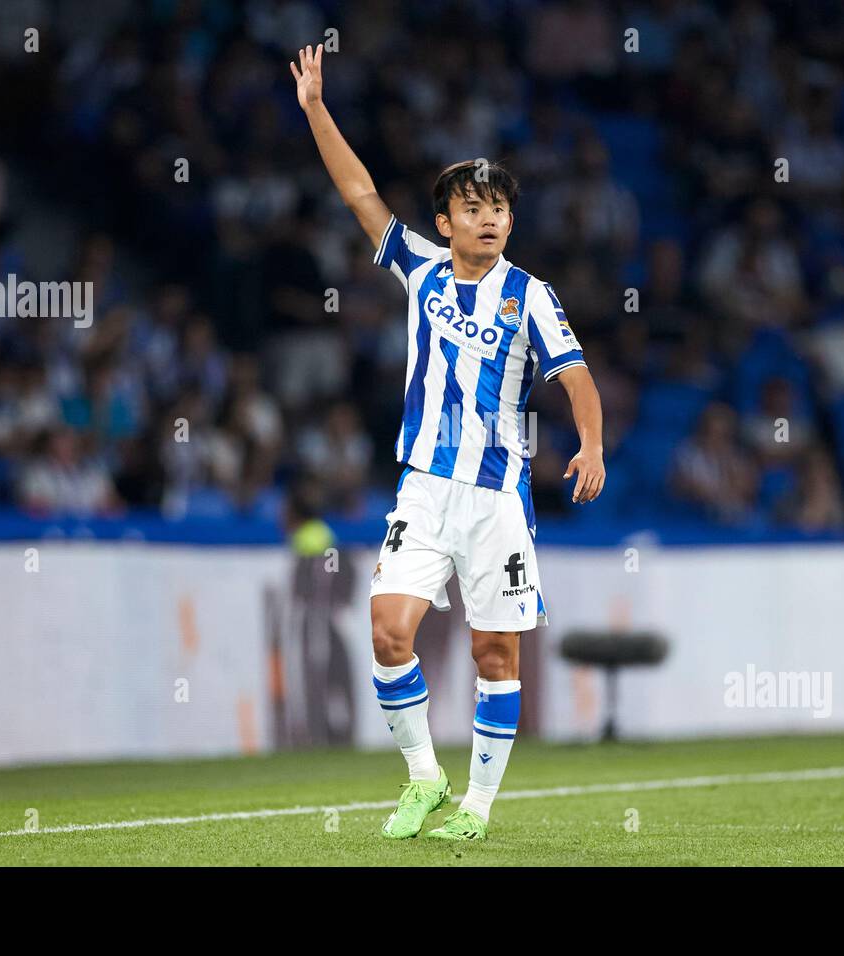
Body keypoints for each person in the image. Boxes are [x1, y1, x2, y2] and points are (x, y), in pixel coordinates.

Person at [291, 44, 606, 842]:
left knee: (496, 654)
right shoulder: (421, 270)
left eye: (499, 206)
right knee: (388, 631)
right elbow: (360, 192)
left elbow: (576, 378)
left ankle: (478, 806)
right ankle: (425, 780)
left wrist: (591, 446)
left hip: (498, 498)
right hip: (424, 488)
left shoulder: (533, 297)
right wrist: (315, 108)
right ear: (446, 223)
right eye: (472, 207)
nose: (489, 217)